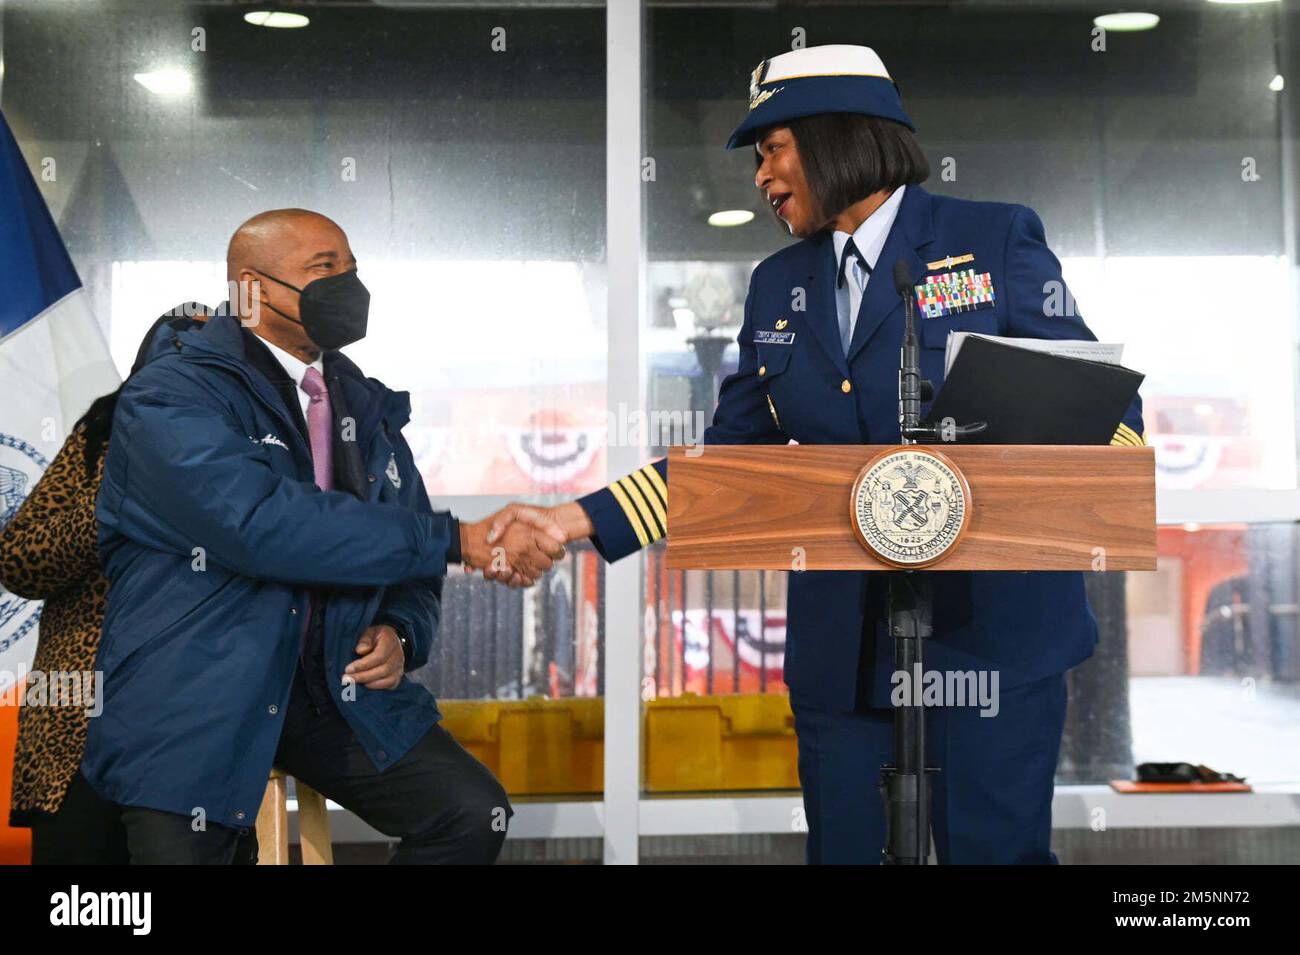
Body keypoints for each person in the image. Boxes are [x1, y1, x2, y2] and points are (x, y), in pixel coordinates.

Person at [493, 44, 1146, 864]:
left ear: (839, 136)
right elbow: (729, 461)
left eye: (772, 148)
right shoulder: (776, 285)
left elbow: (1111, 414)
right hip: (844, 647)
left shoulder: (992, 238)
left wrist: (1055, 483)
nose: (761, 177)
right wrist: (570, 520)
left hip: (994, 638)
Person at [83, 209, 565, 864]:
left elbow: (408, 564)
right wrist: (457, 539)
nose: (349, 283)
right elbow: (265, 524)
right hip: (196, 696)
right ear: (251, 286)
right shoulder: (171, 396)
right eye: (325, 269)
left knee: (470, 813)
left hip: (328, 694)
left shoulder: (361, 403)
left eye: (352, 266)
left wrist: (400, 631)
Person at [0, 308, 207, 863]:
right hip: (77, 715)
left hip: (193, 714)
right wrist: (114, 508)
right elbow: (17, 559)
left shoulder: (259, 448)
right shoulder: (100, 434)